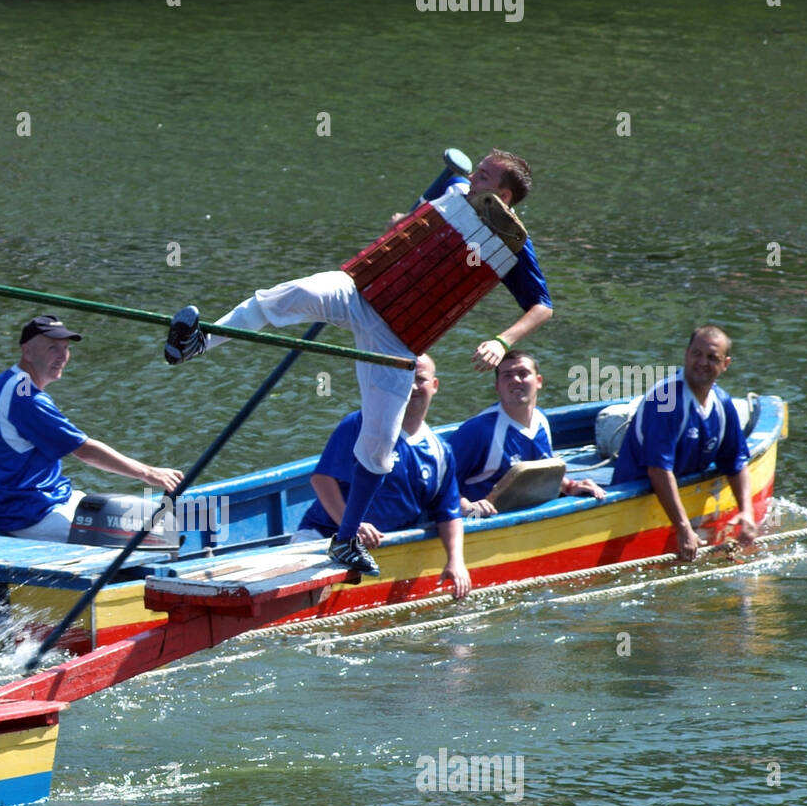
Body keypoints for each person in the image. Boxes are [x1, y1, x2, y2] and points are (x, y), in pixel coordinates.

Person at [164, 149, 553, 576]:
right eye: (475, 170)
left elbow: (542, 306)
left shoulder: (514, 245)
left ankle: (346, 540)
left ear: (502, 193)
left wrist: (502, 340)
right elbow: (408, 222)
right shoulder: (453, 189)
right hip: (360, 290)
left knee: (379, 446)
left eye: (482, 175)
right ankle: (196, 343)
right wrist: (401, 225)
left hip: (398, 339)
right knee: (283, 297)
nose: (471, 178)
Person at [0, 314, 184, 542]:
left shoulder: (12, 380)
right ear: (28, 352)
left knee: (155, 521)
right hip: (30, 516)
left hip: (51, 499)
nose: (62, 356)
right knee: (154, 535)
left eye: (65, 348)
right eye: (52, 348)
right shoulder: (25, 397)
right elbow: (84, 450)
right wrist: (149, 473)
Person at [293, 354, 471, 598]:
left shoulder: (440, 451)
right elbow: (322, 479)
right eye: (404, 378)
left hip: (381, 551)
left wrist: (456, 561)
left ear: (435, 385)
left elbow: (448, 514)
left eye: (420, 379)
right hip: (324, 538)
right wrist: (351, 525)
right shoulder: (362, 423)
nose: (412, 387)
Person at [611, 326, 756, 561]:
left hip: (680, 493)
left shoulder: (722, 402)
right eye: (697, 354)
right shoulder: (666, 399)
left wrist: (747, 512)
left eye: (712, 357)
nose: (702, 362)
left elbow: (736, 462)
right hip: (636, 498)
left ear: (725, 364)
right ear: (686, 353)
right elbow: (658, 470)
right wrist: (684, 528)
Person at [452, 350, 606, 515]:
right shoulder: (479, 430)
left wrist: (570, 486)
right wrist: (464, 505)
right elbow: (438, 480)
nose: (516, 380)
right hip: (481, 520)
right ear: (497, 386)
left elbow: (539, 470)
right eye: (507, 375)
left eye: (523, 374)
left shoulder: (541, 420)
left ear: (539, 381)